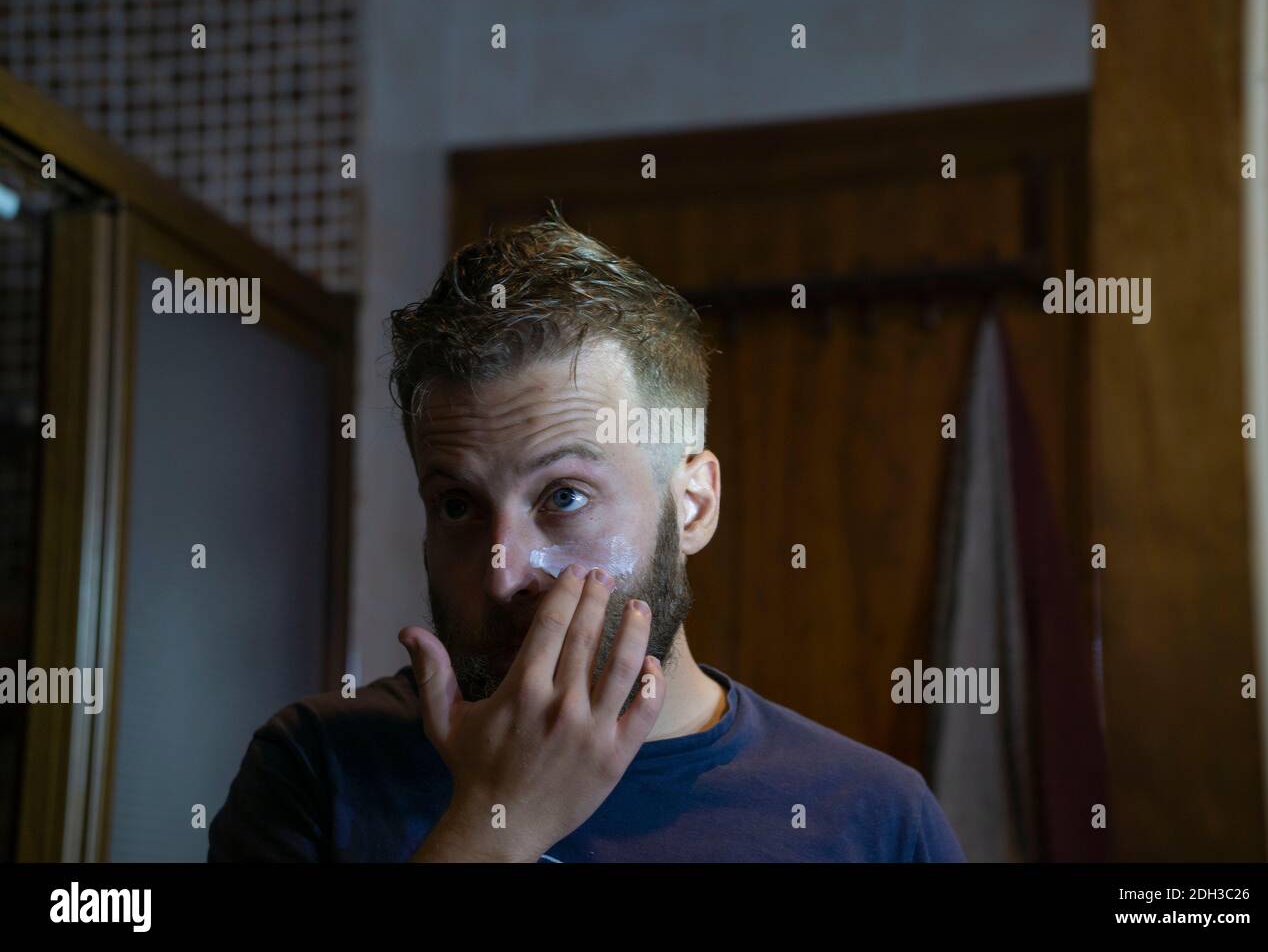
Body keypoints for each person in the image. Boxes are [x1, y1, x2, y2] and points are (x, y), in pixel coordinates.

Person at [208, 207, 965, 862]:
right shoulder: (316, 768)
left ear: (694, 505)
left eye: (564, 495)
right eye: (460, 506)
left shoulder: (872, 819)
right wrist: (490, 829)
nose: (503, 573)